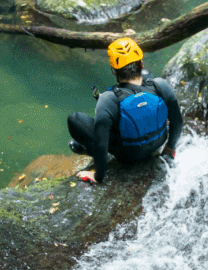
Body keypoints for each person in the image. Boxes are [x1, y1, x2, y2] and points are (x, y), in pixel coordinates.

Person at [68, 36, 183, 184]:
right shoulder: (160, 85)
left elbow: (101, 143)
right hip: (158, 142)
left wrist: (97, 176)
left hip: (129, 156)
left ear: (114, 72)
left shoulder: (108, 99)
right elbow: (177, 121)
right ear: (141, 64)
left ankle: (87, 150)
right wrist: (169, 148)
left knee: (75, 119)